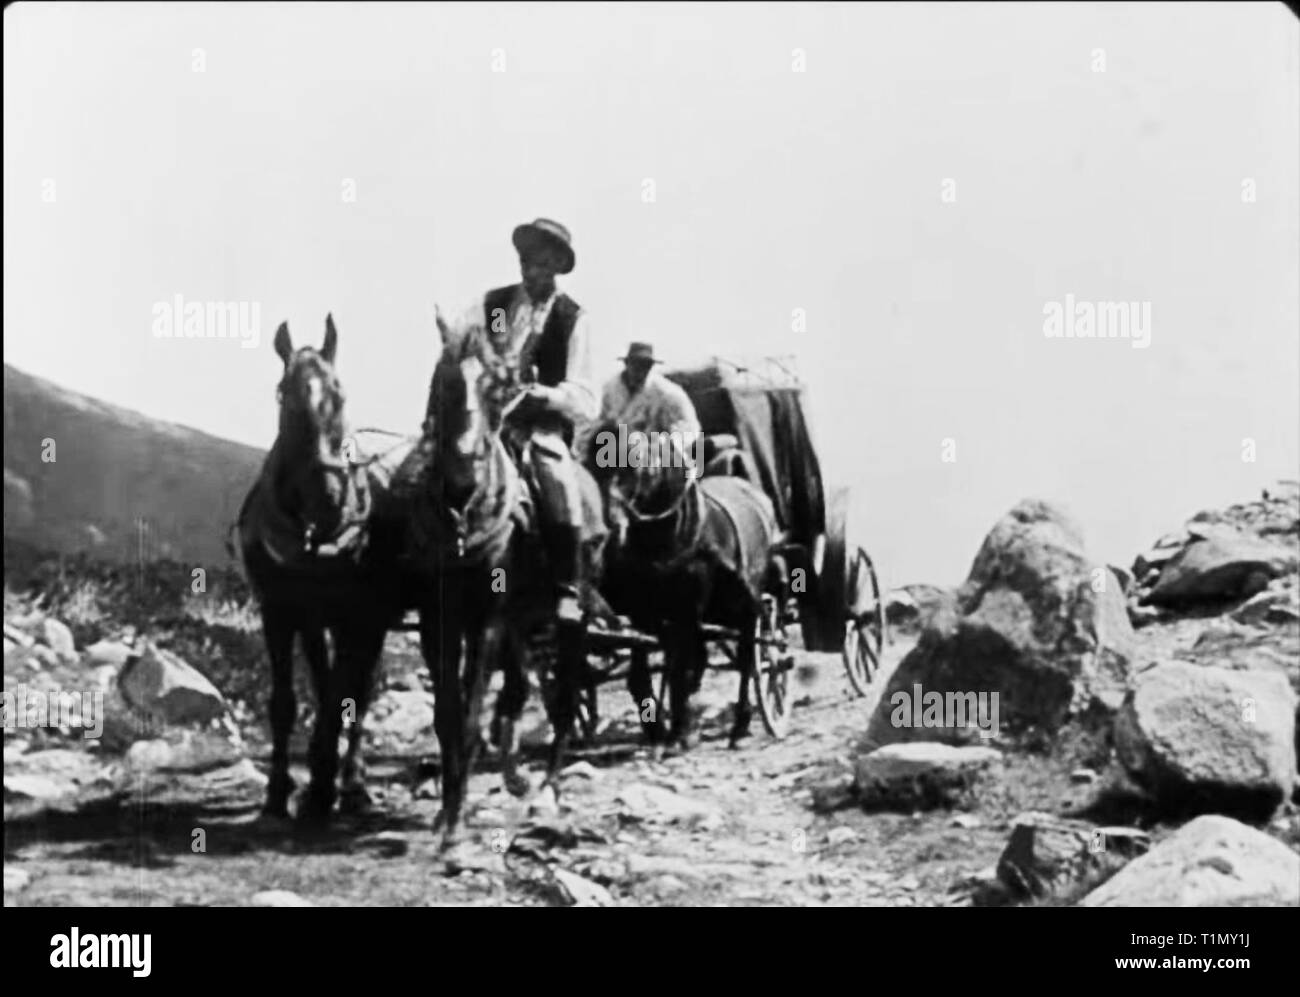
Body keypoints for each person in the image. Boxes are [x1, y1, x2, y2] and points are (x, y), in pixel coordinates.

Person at [432, 218, 597, 624]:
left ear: (558, 264)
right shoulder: (498, 306)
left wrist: (547, 395)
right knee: (430, 463)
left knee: (556, 475)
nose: (530, 269)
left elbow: (587, 398)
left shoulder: (570, 318)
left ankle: (566, 587)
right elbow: (473, 340)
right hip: (488, 419)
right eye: (525, 260)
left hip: (540, 426)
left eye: (540, 261)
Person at [577, 341, 702, 476]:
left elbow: (687, 428)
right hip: (611, 454)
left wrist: (659, 444)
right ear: (627, 363)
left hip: (653, 459)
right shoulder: (608, 391)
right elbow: (590, 425)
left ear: (651, 366)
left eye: (645, 365)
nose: (640, 370)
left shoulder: (668, 394)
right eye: (636, 363)